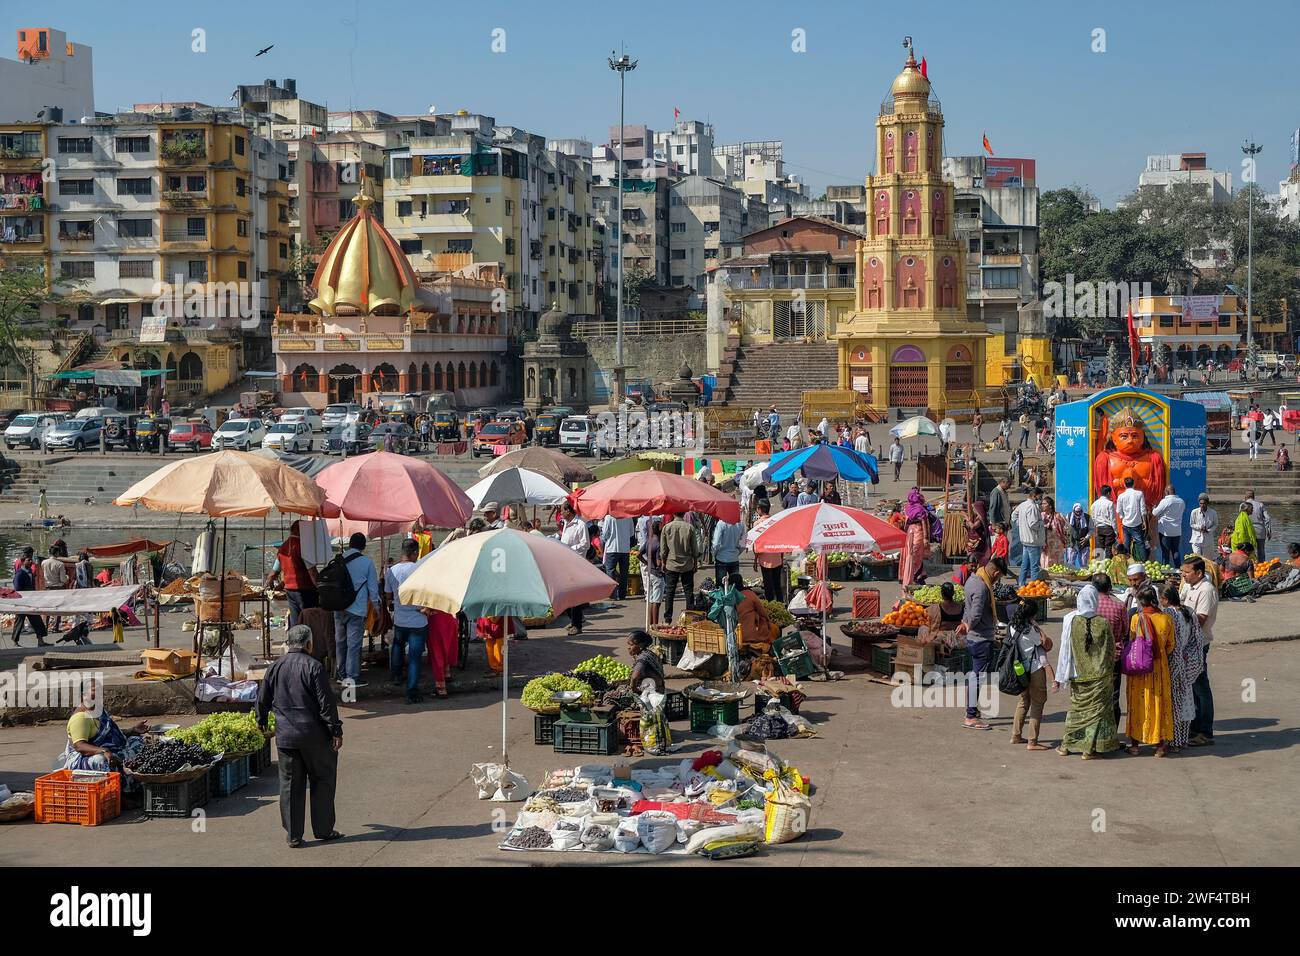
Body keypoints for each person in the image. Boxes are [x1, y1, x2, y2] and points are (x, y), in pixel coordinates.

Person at [257, 624, 344, 848]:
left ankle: (293, 835)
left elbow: (262, 700)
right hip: (315, 737)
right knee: (322, 781)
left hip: (286, 738)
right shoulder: (314, 667)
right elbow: (326, 704)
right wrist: (335, 729)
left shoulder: (275, 667)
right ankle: (324, 830)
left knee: (290, 785)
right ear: (308, 644)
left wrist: (261, 721)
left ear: (289, 643)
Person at [1054, 585, 1120, 758]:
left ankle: (1066, 746)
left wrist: (1062, 676)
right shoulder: (1103, 623)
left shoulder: (1072, 621)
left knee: (1077, 712)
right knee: (1096, 714)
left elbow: (1065, 650)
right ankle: (1088, 750)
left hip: (1079, 676)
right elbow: (1110, 650)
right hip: (1100, 677)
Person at [955, 555, 1007, 730]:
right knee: (978, 676)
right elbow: (975, 613)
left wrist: (964, 624)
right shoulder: (982, 588)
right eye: (998, 577)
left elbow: (967, 608)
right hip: (981, 638)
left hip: (973, 638)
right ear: (996, 572)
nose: (997, 581)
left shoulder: (972, 579)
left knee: (974, 675)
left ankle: (972, 710)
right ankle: (970, 716)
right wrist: (967, 625)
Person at [57, 678, 149, 772]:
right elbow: (79, 746)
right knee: (101, 760)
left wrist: (133, 730)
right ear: (83, 694)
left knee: (140, 742)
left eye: (100, 690)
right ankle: (119, 782)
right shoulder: (80, 718)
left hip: (109, 750)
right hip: (86, 757)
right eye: (94, 690)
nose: (99, 694)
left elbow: (110, 734)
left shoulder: (99, 711)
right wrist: (104, 751)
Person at [1125, 586, 1175, 757]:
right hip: (1159, 669)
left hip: (1139, 669)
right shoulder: (1166, 619)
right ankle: (1160, 746)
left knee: (1137, 704)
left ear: (1140, 601)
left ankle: (1135, 746)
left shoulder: (1135, 619)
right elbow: (1170, 645)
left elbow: (1132, 641)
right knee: (1159, 703)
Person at [1179, 556, 1218, 747]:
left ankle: (1205, 732)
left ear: (1199, 573)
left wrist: (1179, 618)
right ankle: (1194, 728)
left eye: (1186, 572)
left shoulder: (1206, 590)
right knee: (1192, 687)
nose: (1183, 575)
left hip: (1199, 644)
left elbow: (1200, 619)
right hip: (1187, 644)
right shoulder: (1190, 587)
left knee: (1201, 687)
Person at [1160, 583, 1204, 752]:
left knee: (1173, 704)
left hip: (1173, 664)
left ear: (1165, 599)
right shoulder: (1189, 612)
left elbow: (1171, 643)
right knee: (1185, 701)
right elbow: (1197, 639)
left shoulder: (1169, 614)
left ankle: (1174, 742)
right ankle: (1183, 739)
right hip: (1186, 662)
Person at [332, 533, 379, 687]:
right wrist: (376, 609)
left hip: (338, 607)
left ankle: (341, 675)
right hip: (357, 609)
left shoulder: (339, 559)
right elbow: (373, 590)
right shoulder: (367, 563)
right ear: (363, 546)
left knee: (340, 642)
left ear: (349, 544)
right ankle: (352, 678)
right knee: (353, 645)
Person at [384, 539, 427, 704]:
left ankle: (396, 676)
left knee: (398, 646)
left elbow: (388, 597)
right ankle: (411, 691)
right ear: (415, 552)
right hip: (418, 620)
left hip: (400, 619)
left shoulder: (391, 571)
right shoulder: (420, 569)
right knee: (415, 658)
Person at [1008, 599, 1054, 751]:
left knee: (1024, 700)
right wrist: (1038, 627)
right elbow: (1045, 643)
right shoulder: (1031, 630)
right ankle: (1032, 741)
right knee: (1038, 703)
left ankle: (1016, 735)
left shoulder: (1012, 627)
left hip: (1020, 670)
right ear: (1032, 615)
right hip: (1034, 669)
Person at [1090, 573, 1130, 727]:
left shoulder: (1089, 607)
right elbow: (1126, 631)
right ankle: (1111, 735)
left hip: (1092, 658)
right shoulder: (1119, 607)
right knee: (1113, 697)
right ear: (1110, 588)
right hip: (1114, 657)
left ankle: (1094, 733)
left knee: (1094, 696)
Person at [265, 520, 317, 629]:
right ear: (300, 531)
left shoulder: (283, 547)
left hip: (290, 590)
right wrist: (319, 587)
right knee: (308, 619)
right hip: (305, 589)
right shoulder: (303, 547)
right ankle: (308, 643)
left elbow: (273, 573)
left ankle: (295, 642)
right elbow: (312, 572)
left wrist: (270, 586)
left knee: (295, 619)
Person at [556, 503, 591, 635]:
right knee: (567, 594)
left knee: (575, 595)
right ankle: (574, 620)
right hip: (565, 562)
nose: (561, 513)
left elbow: (585, 544)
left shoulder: (580, 525)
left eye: (562, 511)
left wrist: (570, 549)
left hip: (576, 562)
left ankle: (577, 625)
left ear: (568, 511)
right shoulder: (566, 523)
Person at [659, 510, 699, 622]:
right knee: (689, 592)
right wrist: (695, 563)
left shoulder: (667, 528)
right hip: (687, 564)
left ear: (673, 514)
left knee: (670, 592)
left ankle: (667, 619)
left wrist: (663, 562)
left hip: (671, 564)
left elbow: (663, 549)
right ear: (684, 514)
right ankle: (690, 618)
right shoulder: (689, 528)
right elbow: (695, 549)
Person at [10, 557, 48, 646]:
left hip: (30, 601)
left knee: (37, 621)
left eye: (31, 560)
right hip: (22, 602)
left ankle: (40, 641)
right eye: (28, 560)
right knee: (19, 622)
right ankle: (15, 641)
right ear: (23, 562)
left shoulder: (30, 572)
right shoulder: (20, 574)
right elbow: (17, 589)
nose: (31, 562)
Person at [1014, 487, 1045, 586]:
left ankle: (1021, 584)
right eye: (1040, 496)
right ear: (1035, 495)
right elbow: (1033, 524)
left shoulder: (1022, 505)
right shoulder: (1032, 507)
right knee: (1034, 566)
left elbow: (1014, 515)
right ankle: (1034, 587)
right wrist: (1042, 523)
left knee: (1024, 565)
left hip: (1025, 540)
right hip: (1033, 541)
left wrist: (1021, 524)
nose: (1041, 498)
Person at [900, 488, 931, 586]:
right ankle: (915, 576)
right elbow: (924, 523)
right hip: (918, 532)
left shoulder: (907, 508)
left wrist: (904, 534)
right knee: (917, 554)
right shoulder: (920, 509)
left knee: (912, 553)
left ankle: (915, 575)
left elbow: (906, 522)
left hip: (910, 532)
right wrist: (926, 538)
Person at [601, 513, 634, 600]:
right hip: (625, 548)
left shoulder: (609, 517)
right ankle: (622, 594)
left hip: (612, 548)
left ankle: (612, 594)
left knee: (610, 571)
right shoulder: (628, 517)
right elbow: (631, 533)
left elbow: (604, 534)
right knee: (624, 573)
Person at [1116, 477, 1149, 560]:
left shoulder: (1121, 496)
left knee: (1126, 543)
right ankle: (1144, 562)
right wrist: (1144, 521)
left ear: (1124, 484)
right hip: (1136, 523)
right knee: (1140, 543)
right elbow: (1143, 509)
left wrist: (1123, 518)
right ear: (1134, 484)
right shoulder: (1139, 494)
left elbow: (1119, 510)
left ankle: (1127, 562)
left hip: (1125, 523)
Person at [1152, 485, 1186, 567]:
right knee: (1175, 550)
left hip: (1165, 531)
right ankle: (1178, 568)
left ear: (1167, 492)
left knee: (1165, 551)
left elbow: (1155, 513)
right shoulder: (1181, 501)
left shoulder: (1165, 501)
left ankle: (1165, 570)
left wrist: (1154, 508)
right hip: (1177, 531)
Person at [642, 517, 665, 626]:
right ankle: (655, 625)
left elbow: (638, 554)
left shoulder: (648, 541)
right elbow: (659, 562)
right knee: (657, 601)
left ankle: (651, 624)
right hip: (657, 574)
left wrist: (647, 563)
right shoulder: (659, 544)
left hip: (650, 573)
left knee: (651, 600)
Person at [627, 628, 666, 694]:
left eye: (631, 645)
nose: (628, 647)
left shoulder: (642, 659)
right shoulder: (650, 654)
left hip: (652, 694)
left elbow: (634, 677)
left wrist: (634, 690)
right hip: (660, 689)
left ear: (640, 646)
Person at [711, 513, 744, 588]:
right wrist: (737, 553)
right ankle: (734, 599)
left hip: (721, 558)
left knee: (721, 587)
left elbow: (716, 544)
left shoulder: (721, 523)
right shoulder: (740, 523)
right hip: (734, 558)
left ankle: (723, 599)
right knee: (735, 587)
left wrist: (714, 554)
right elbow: (743, 544)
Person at [41, 547, 68, 634]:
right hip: (58, 588)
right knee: (58, 608)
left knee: (48, 608)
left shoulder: (43, 562)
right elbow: (63, 579)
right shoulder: (60, 564)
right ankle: (55, 627)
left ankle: (45, 626)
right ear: (57, 553)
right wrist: (67, 577)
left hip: (48, 588)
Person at [1089, 484, 1117, 558]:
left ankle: (1098, 565)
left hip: (1099, 528)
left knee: (1099, 549)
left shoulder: (1094, 504)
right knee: (1108, 548)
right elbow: (1113, 519)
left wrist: (1095, 528)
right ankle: (1108, 565)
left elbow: (1093, 518)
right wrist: (1115, 531)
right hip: (1108, 529)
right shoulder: (1110, 504)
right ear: (1108, 493)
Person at [1243, 489, 1272, 560]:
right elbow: (1267, 518)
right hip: (1260, 530)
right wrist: (1268, 531)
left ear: (1245, 497)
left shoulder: (1243, 505)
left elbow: (1241, 520)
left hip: (1248, 531)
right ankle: (1262, 567)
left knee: (1247, 551)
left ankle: (1250, 567)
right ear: (1253, 497)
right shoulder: (1260, 504)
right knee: (1261, 551)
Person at [1041, 496, 1067, 568]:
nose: (1042, 505)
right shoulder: (1041, 516)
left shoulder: (1058, 515)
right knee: (1046, 561)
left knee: (1057, 564)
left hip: (1057, 545)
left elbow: (1067, 528)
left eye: (1044, 504)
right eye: (1042, 503)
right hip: (1046, 544)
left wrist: (1061, 520)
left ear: (1050, 506)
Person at [965, 499, 990, 569]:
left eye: (974, 508)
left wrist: (967, 519)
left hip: (977, 541)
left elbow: (973, 527)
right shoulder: (976, 517)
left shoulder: (980, 518)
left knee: (974, 556)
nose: (973, 509)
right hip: (973, 540)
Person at [1065, 503, 1091, 569]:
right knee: (1070, 562)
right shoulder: (1069, 516)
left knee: (1084, 562)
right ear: (1074, 511)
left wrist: (1086, 538)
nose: (1078, 513)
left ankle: (1085, 577)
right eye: (1077, 512)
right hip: (1072, 542)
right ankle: (1071, 577)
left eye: (1080, 512)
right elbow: (1065, 528)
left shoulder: (1087, 517)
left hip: (1084, 542)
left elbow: (1092, 530)